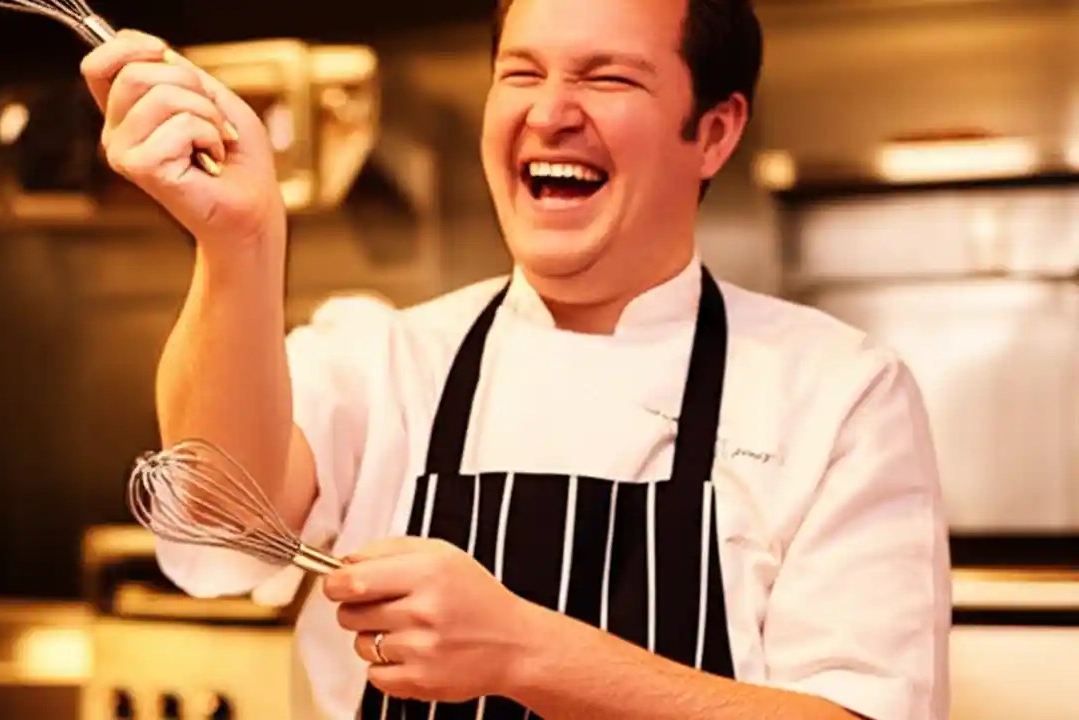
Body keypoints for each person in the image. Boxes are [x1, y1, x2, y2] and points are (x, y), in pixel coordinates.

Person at [80, 0, 951, 718]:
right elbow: (219, 529)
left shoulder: (840, 393)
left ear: (715, 132)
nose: (550, 112)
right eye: (521, 73)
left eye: (607, 76)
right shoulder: (386, 360)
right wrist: (238, 240)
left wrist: (523, 651)